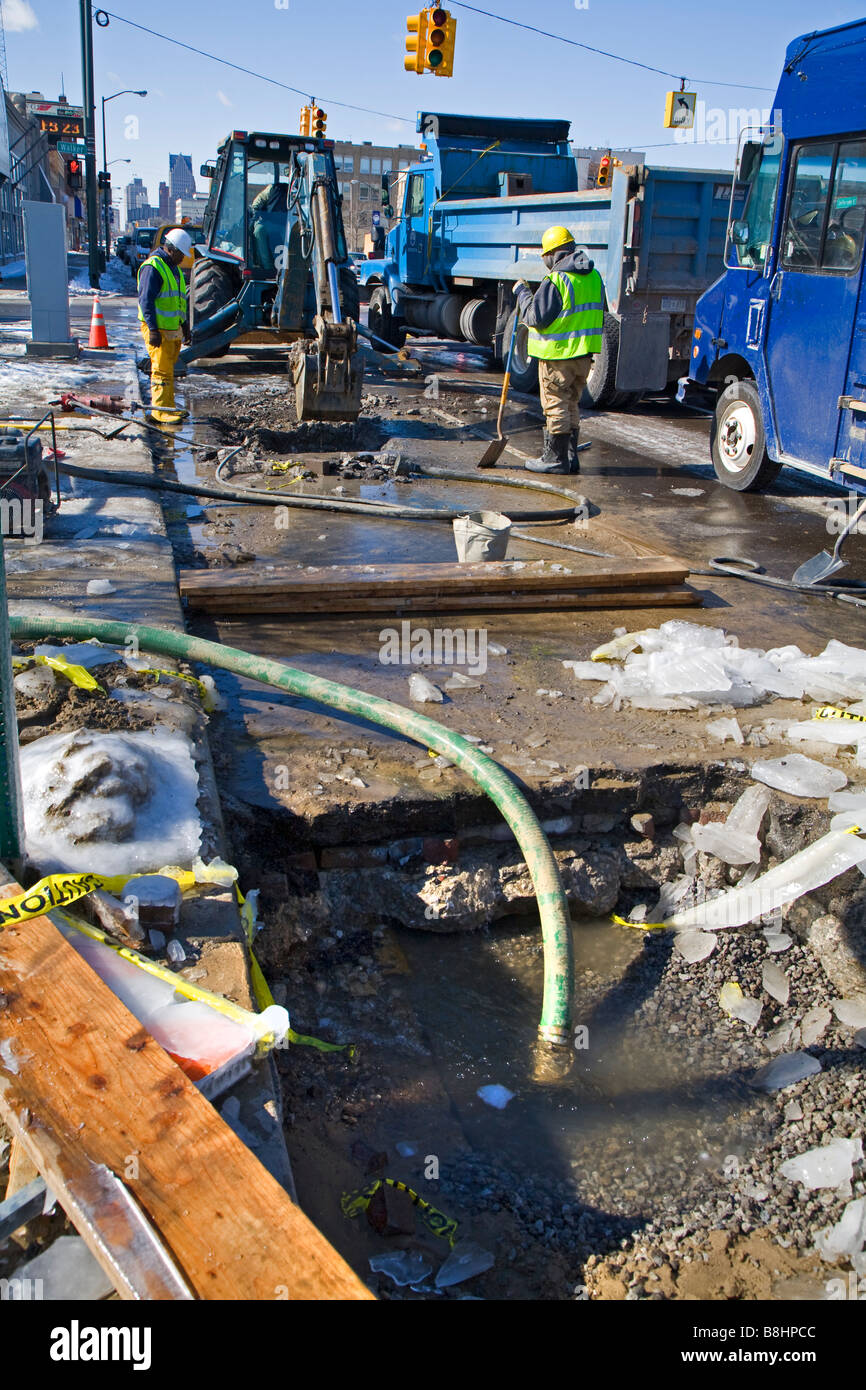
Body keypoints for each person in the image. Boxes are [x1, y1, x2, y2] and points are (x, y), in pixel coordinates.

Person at [512, 226, 605, 474]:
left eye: (545, 256)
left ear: (553, 253)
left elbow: (535, 317)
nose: (545, 262)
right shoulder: (594, 277)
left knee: (555, 406)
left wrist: (522, 293)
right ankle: (570, 459)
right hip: (584, 355)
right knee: (572, 404)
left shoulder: (557, 279)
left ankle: (554, 459)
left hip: (557, 356)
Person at [137, 227, 192, 424]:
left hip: (170, 329)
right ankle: (159, 411)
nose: (182, 259)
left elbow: (179, 301)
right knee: (160, 369)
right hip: (158, 329)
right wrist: (152, 329)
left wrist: (184, 325)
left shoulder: (173, 268)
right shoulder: (153, 267)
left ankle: (167, 407)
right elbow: (146, 301)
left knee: (168, 369)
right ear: (172, 249)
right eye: (181, 254)